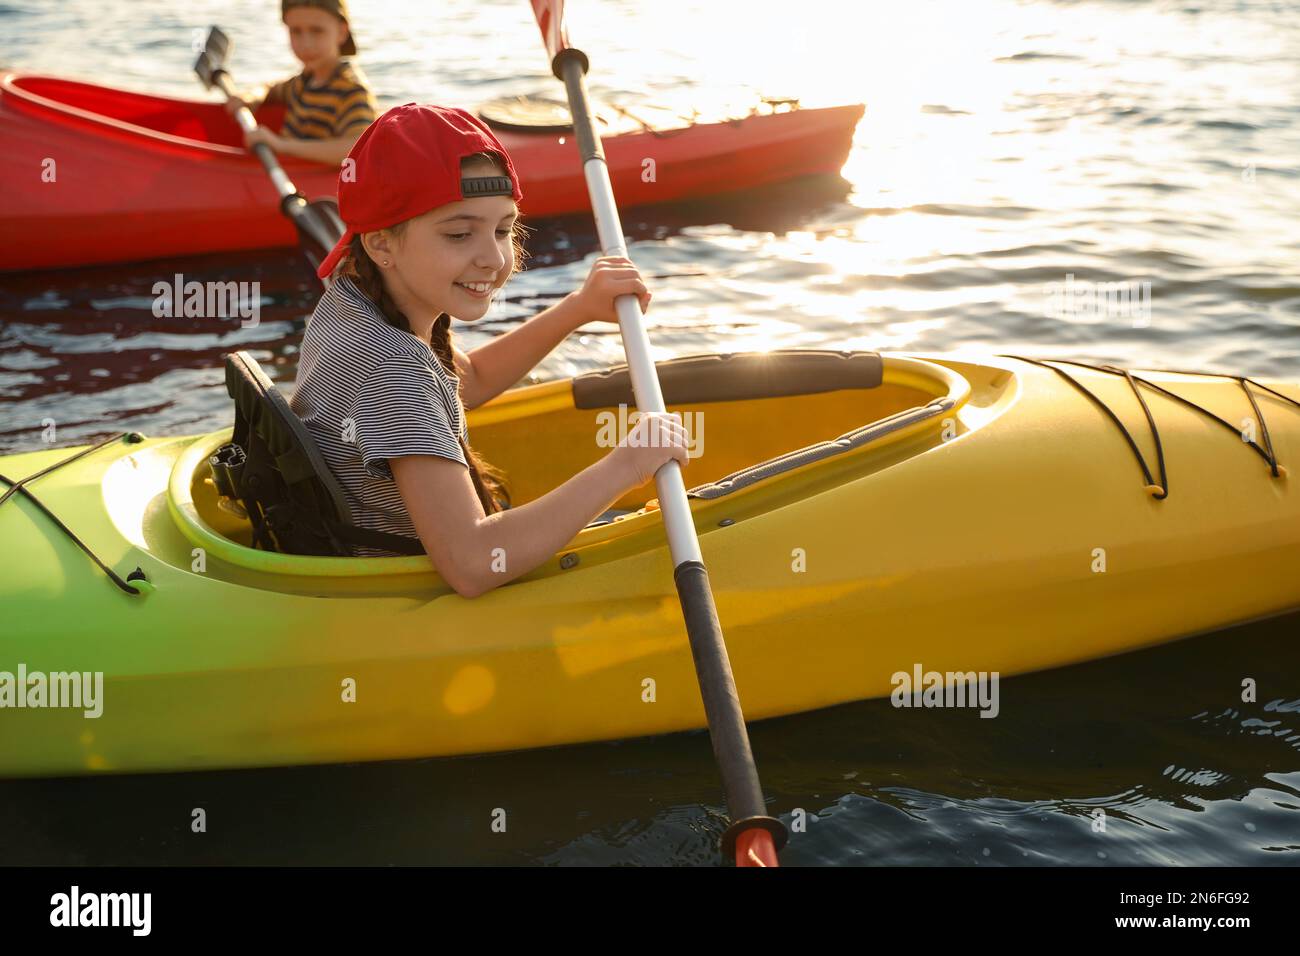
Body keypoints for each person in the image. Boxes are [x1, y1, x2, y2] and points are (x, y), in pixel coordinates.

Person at [290, 103, 689, 597]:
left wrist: (578, 308)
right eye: (459, 234)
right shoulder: (392, 370)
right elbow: (473, 563)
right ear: (381, 244)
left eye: (503, 229)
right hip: (409, 600)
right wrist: (627, 465)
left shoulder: (352, 298)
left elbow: (467, 382)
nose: (494, 258)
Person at [224, 0, 377, 165]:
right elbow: (272, 89)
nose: (306, 44)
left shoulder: (351, 89)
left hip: (317, 186)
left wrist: (281, 145)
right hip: (286, 173)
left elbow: (357, 148)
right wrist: (252, 96)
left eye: (317, 31)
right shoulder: (305, 80)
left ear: (341, 32)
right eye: (296, 31)